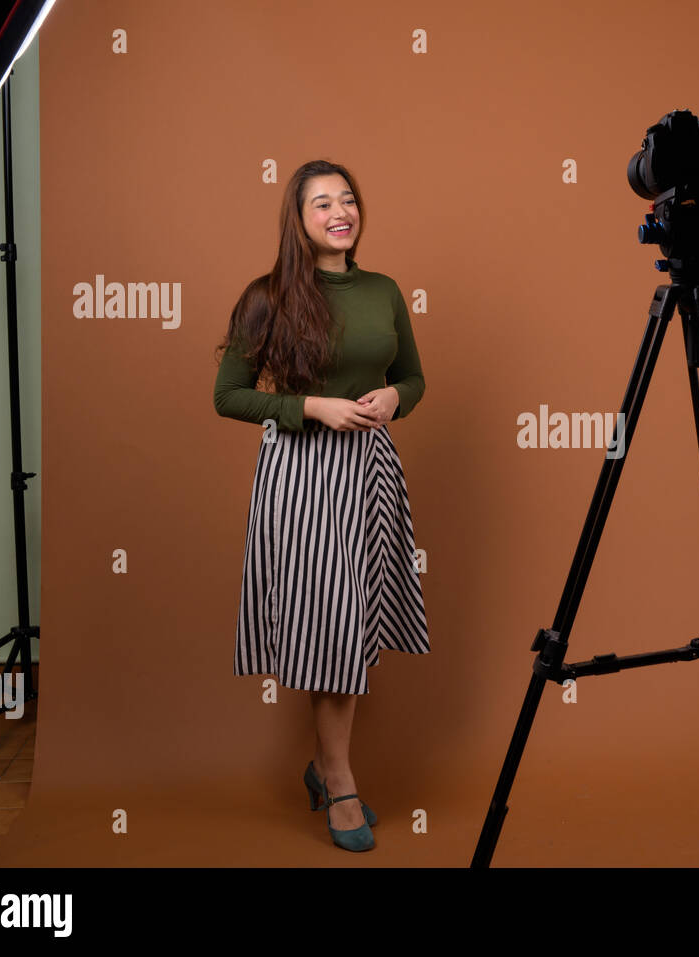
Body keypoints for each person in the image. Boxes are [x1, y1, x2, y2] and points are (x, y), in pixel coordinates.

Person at [212, 159, 428, 852]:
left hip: (371, 470)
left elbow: (414, 377)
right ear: (298, 219)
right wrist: (311, 406)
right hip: (301, 475)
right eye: (322, 202)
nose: (340, 211)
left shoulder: (385, 290)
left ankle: (321, 763)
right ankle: (338, 777)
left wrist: (397, 397)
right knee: (328, 628)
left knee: (356, 624)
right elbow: (228, 395)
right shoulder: (266, 295)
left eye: (348, 199)